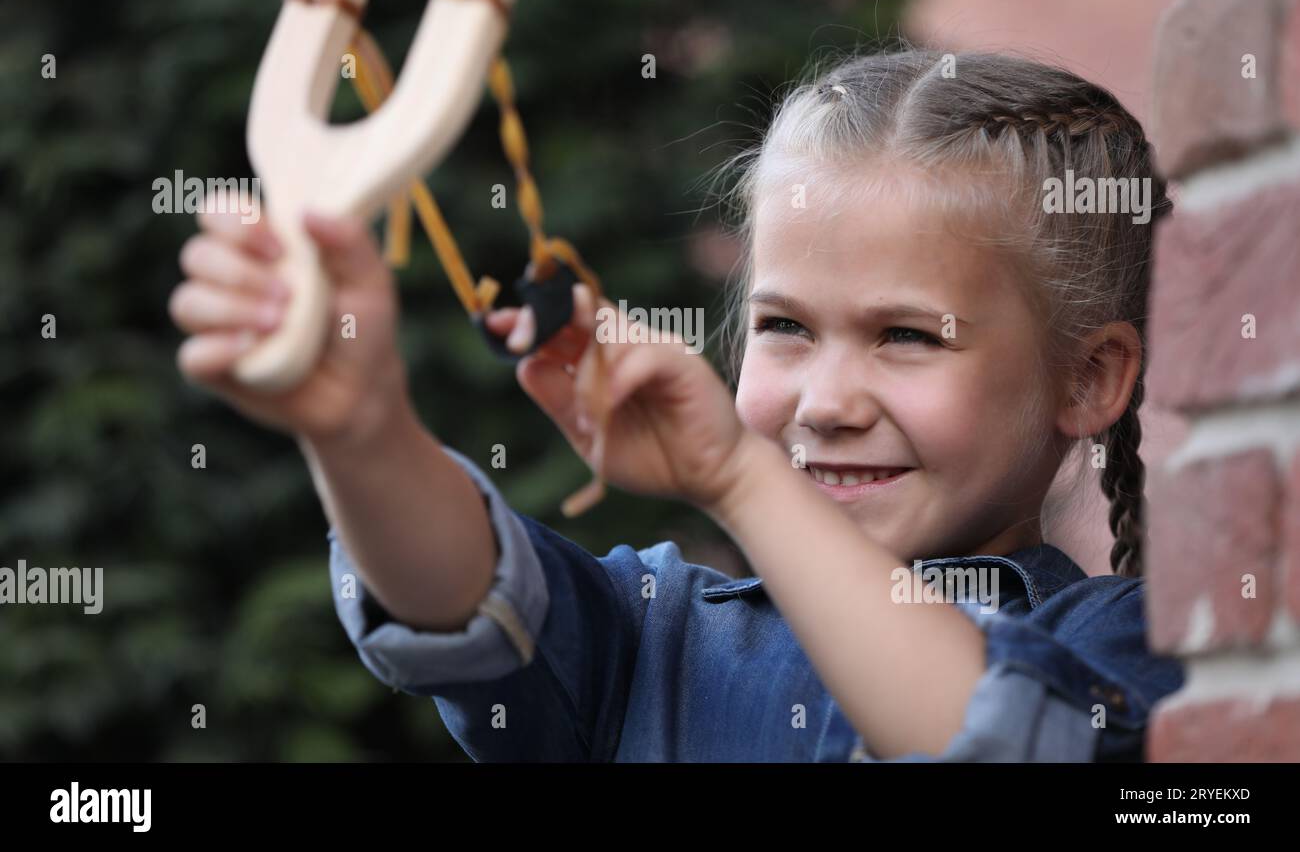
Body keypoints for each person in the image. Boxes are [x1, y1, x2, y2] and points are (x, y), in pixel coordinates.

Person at [169, 48, 1185, 761]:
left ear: (1088, 377)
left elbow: (996, 735)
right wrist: (358, 428)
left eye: (906, 335)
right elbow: (458, 599)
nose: (825, 402)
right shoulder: (651, 630)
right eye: (785, 325)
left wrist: (739, 481)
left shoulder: (1132, 653)